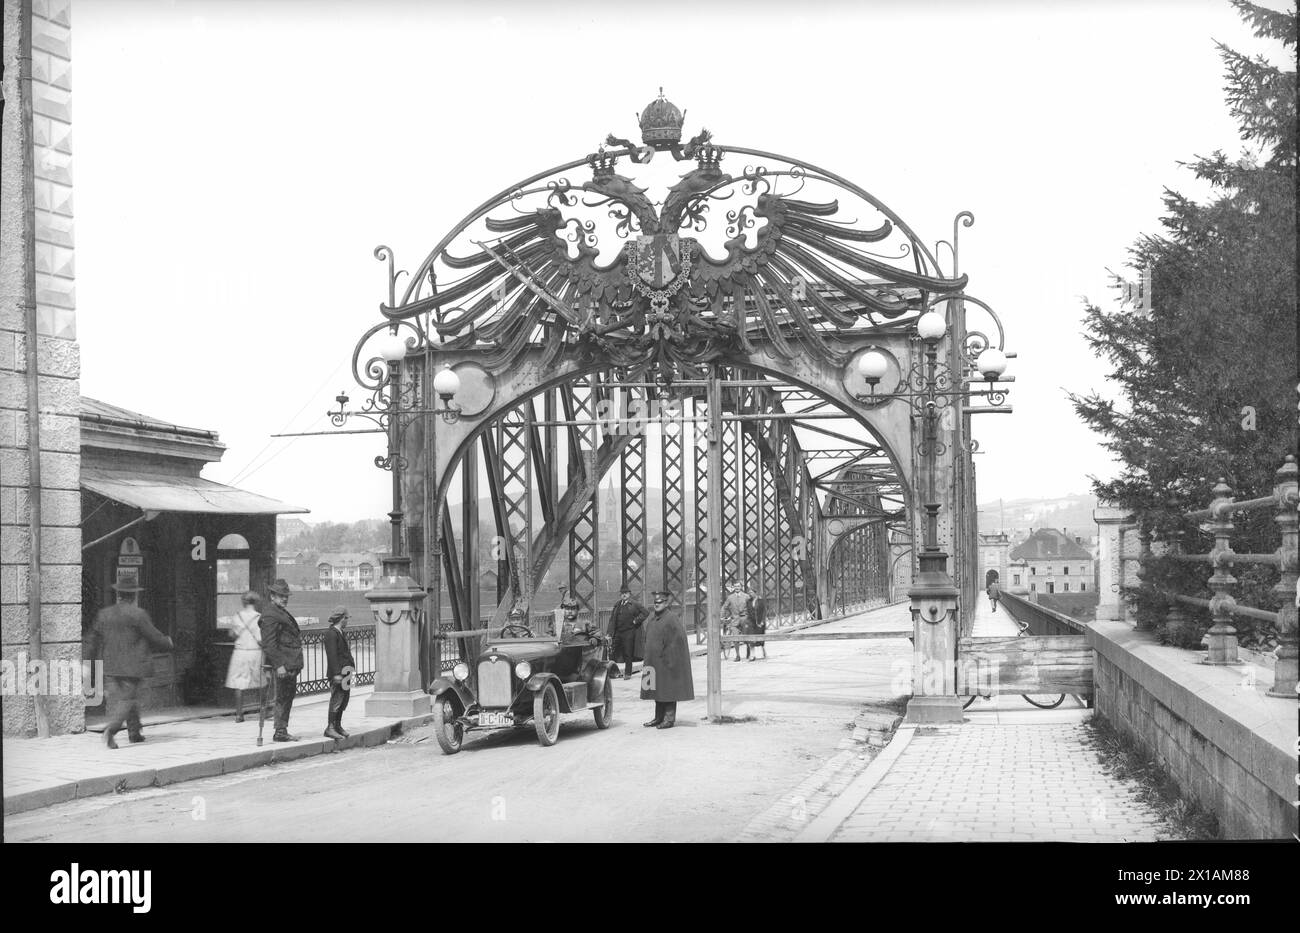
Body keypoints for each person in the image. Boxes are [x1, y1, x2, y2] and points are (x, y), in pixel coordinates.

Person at [86, 581, 174, 749]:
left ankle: (134, 732)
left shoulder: (104, 614)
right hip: (133, 667)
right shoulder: (138, 614)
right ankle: (110, 730)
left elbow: (93, 639)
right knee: (128, 699)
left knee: (127, 699)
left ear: (118, 595)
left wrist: (87, 662)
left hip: (111, 667)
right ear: (134, 595)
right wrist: (168, 643)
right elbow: (154, 636)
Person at [640, 590, 694, 729]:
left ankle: (669, 719)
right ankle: (658, 717)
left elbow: (679, 640)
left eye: (659, 602)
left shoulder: (671, 618)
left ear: (666, 603)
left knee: (668, 690)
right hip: (653, 662)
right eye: (655, 602)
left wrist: (670, 658)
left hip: (666, 662)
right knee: (656, 690)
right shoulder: (653, 618)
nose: (656, 605)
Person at [259, 579, 304, 742]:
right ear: (272, 596)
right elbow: (269, 644)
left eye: (286, 596)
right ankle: (280, 731)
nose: (284, 598)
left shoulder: (278, 611)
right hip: (284, 664)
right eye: (280, 595)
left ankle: (282, 729)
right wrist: (279, 666)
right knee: (283, 697)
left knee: (287, 696)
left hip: (290, 662)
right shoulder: (270, 614)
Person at [224, 591, 266, 722]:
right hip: (255, 651)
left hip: (240, 652)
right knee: (261, 681)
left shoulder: (237, 616)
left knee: (239, 682)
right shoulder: (259, 617)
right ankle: (263, 712)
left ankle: (239, 714)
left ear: (243, 602)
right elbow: (261, 639)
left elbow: (232, 634)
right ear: (256, 602)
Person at [323, 606, 355, 741]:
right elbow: (332, 656)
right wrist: (336, 673)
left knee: (344, 700)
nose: (347, 621)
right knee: (337, 699)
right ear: (342, 619)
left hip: (347, 672)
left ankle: (338, 725)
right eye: (347, 618)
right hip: (339, 673)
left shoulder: (340, 632)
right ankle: (330, 727)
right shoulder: (331, 634)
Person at [608, 583, 648, 679]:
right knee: (611, 651)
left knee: (628, 653)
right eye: (622, 593)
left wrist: (636, 620)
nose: (624, 595)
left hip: (629, 632)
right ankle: (612, 672)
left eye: (625, 593)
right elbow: (612, 619)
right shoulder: (617, 605)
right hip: (618, 632)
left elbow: (646, 612)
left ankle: (627, 674)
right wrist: (609, 633)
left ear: (629, 594)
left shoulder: (634, 604)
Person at [721, 582, 752, 662]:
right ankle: (737, 655)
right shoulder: (730, 597)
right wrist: (722, 617)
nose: (737, 588)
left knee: (747, 636)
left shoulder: (746, 596)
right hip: (734, 620)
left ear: (741, 587)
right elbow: (724, 607)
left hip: (744, 619)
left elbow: (751, 607)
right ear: (733, 587)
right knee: (735, 638)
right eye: (735, 586)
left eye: (738, 586)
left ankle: (749, 651)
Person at [745, 580, 767, 661]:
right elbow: (747, 611)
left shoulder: (761, 601)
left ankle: (763, 650)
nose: (750, 594)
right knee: (751, 638)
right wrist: (747, 622)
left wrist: (762, 621)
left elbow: (764, 611)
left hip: (760, 622)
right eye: (749, 593)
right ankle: (752, 655)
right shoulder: (748, 602)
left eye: (751, 592)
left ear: (755, 593)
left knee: (760, 639)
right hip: (751, 622)